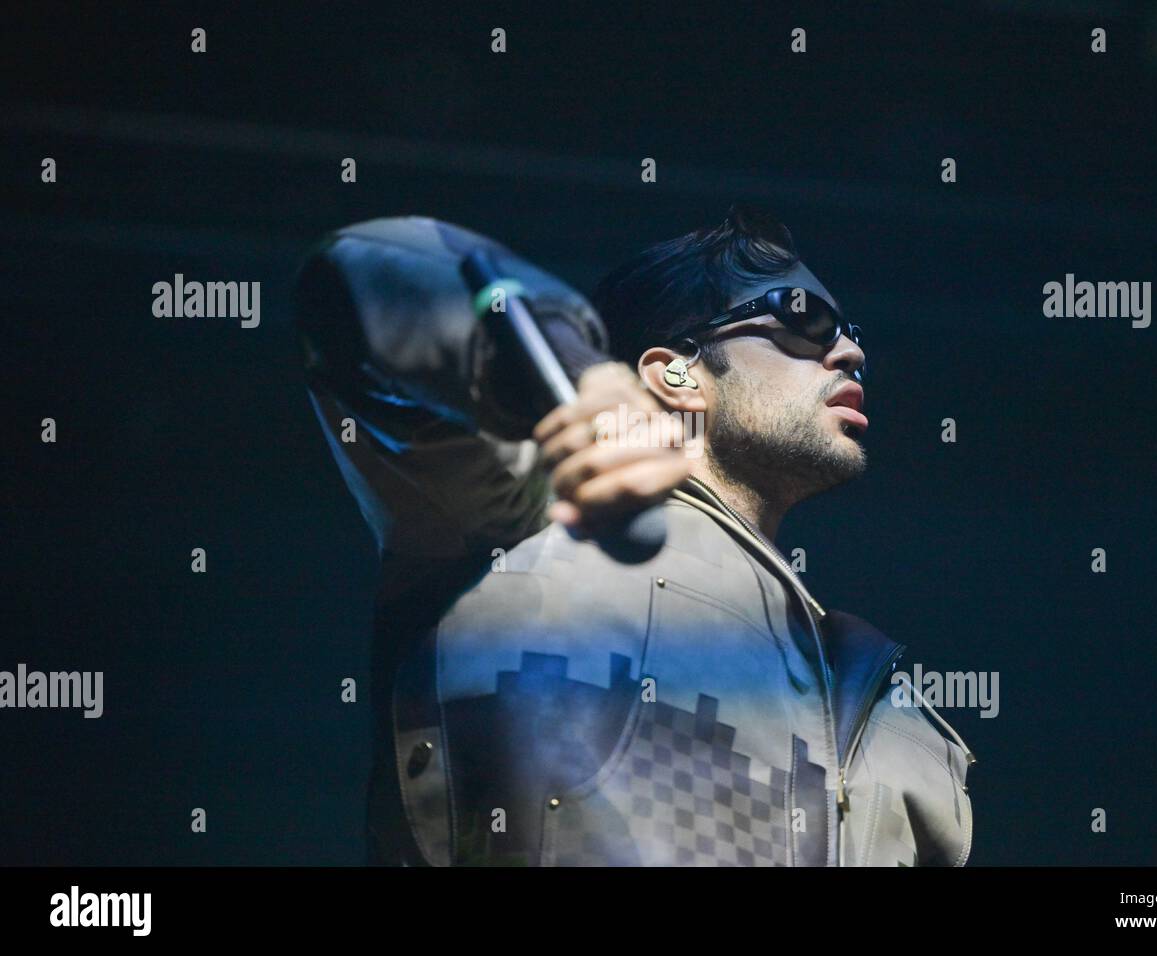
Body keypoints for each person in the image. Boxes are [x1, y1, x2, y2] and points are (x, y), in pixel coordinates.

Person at [294, 204, 974, 866]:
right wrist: (574, 371)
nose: (849, 351)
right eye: (805, 319)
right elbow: (368, 269)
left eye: (849, 331)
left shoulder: (889, 698)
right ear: (673, 373)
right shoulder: (540, 516)